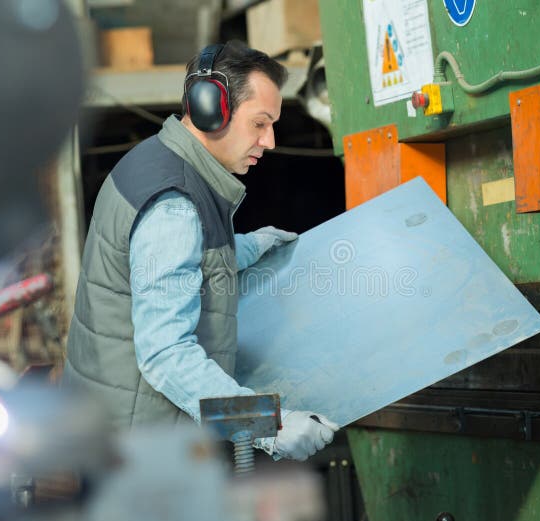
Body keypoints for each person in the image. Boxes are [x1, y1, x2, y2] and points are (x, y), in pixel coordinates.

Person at [63, 41, 338, 461]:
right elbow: (165, 354)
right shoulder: (174, 206)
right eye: (260, 123)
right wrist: (268, 425)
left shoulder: (156, 160)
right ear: (212, 110)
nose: (269, 141)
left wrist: (247, 246)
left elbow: (167, 262)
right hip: (139, 454)